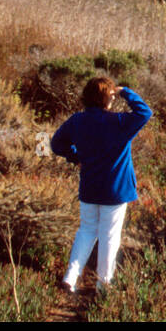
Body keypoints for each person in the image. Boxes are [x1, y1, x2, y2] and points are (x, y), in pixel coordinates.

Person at [50, 77, 152, 293]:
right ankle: (103, 284)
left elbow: (55, 143)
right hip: (116, 190)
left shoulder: (77, 121)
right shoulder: (118, 122)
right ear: (107, 97)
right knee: (109, 236)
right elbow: (145, 112)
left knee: (86, 231)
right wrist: (126, 92)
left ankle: (70, 277)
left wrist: (75, 157)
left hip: (89, 188)